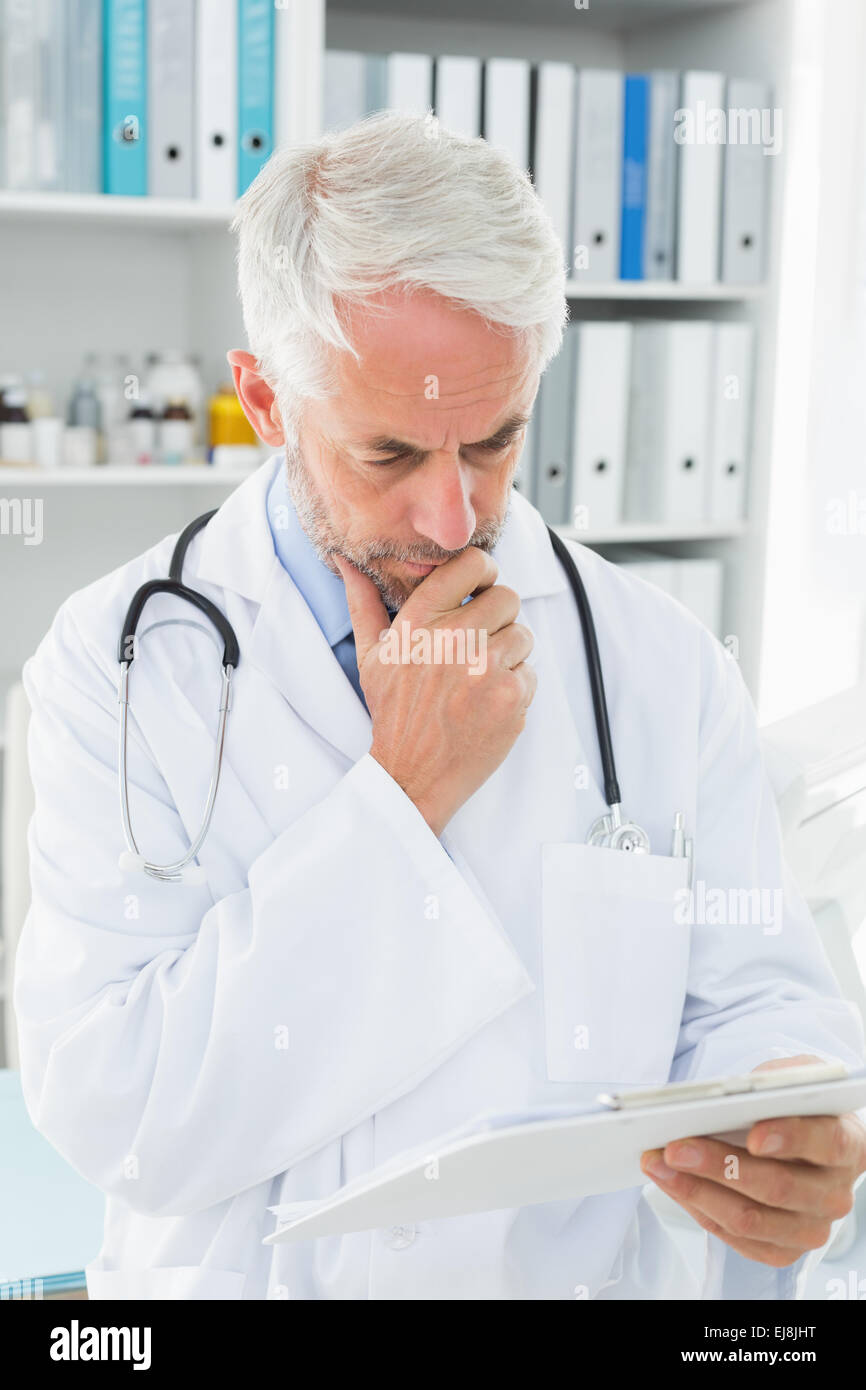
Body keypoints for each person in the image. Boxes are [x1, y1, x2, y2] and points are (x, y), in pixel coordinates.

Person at [14, 111, 866, 1301]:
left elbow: (754, 997)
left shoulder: (659, 663)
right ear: (263, 400)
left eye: (497, 440)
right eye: (390, 455)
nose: (455, 518)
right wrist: (402, 796)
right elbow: (121, 1109)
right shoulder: (115, 665)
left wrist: (790, 1124)